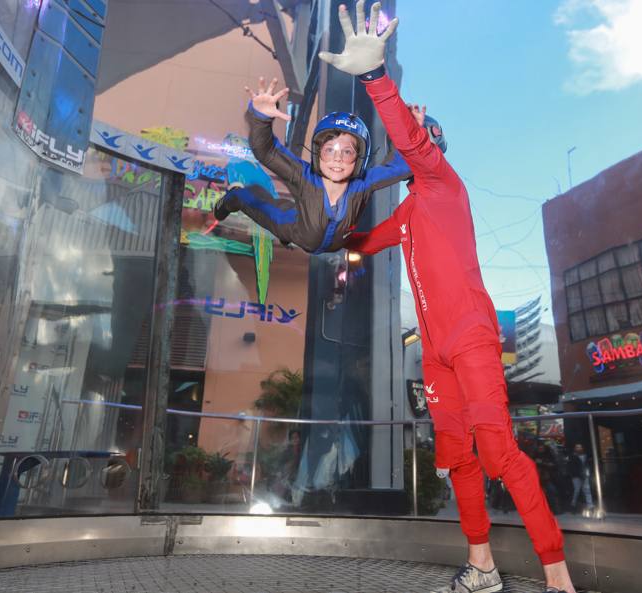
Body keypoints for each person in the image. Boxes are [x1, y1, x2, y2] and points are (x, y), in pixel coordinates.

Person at [319, 3, 576, 592]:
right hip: (434, 350)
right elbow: (353, 240)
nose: (415, 143)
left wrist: (376, 80)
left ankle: (559, 581)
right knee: (457, 460)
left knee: (500, 454)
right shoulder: (408, 210)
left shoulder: (446, 185)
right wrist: (299, 222)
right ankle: (482, 569)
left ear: (433, 147)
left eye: (421, 136)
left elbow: (413, 142)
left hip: (472, 336)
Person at [213, 78, 411, 255]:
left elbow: (400, 167)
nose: (338, 159)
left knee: (289, 209)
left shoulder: (363, 184)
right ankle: (234, 196)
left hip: (327, 241)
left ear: (359, 159)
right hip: (293, 228)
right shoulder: (304, 176)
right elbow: (268, 152)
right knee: (257, 204)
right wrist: (260, 119)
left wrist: (410, 130)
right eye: (329, 150)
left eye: (348, 152)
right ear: (317, 154)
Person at [534, 444, 561, 516]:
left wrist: (547, 465)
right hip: (537, 478)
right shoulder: (534, 457)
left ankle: (555, 509)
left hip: (546, 477)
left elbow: (554, 466)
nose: (540, 450)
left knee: (552, 492)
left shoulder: (549, 457)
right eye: (539, 448)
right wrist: (546, 464)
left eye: (542, 449)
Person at [568, 443, 594, 515]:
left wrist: (586, 474)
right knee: (578, 490)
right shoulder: (574, 457)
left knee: (585, 490)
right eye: (577, 447)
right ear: (575, 449)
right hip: (577, 476)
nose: (579, 448)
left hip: (582, 475)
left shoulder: (583, 456)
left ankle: (589, 506)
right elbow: (573, 467)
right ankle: (574, 505)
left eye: (580, 447)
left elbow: (586, 465)